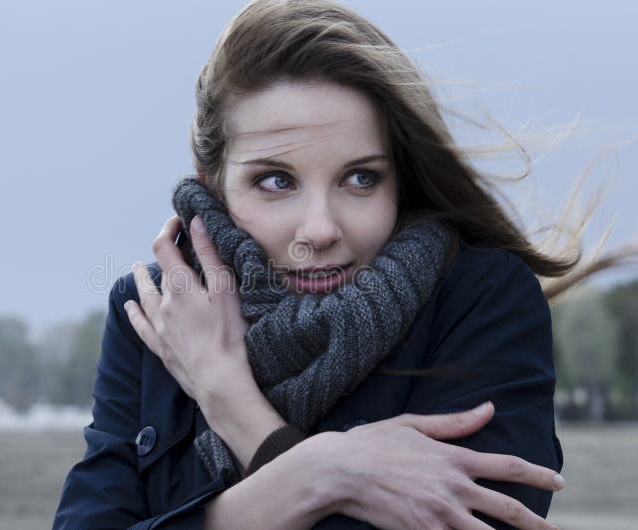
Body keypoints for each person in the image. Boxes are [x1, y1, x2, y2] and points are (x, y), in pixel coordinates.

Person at [53, 1, 632, 528]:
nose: (320, 230)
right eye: (275, 181)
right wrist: (321, 472)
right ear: (214, 186)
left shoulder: (480, 299)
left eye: (360, 178)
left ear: (400, 179)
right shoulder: (155, 313)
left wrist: (234, 403)